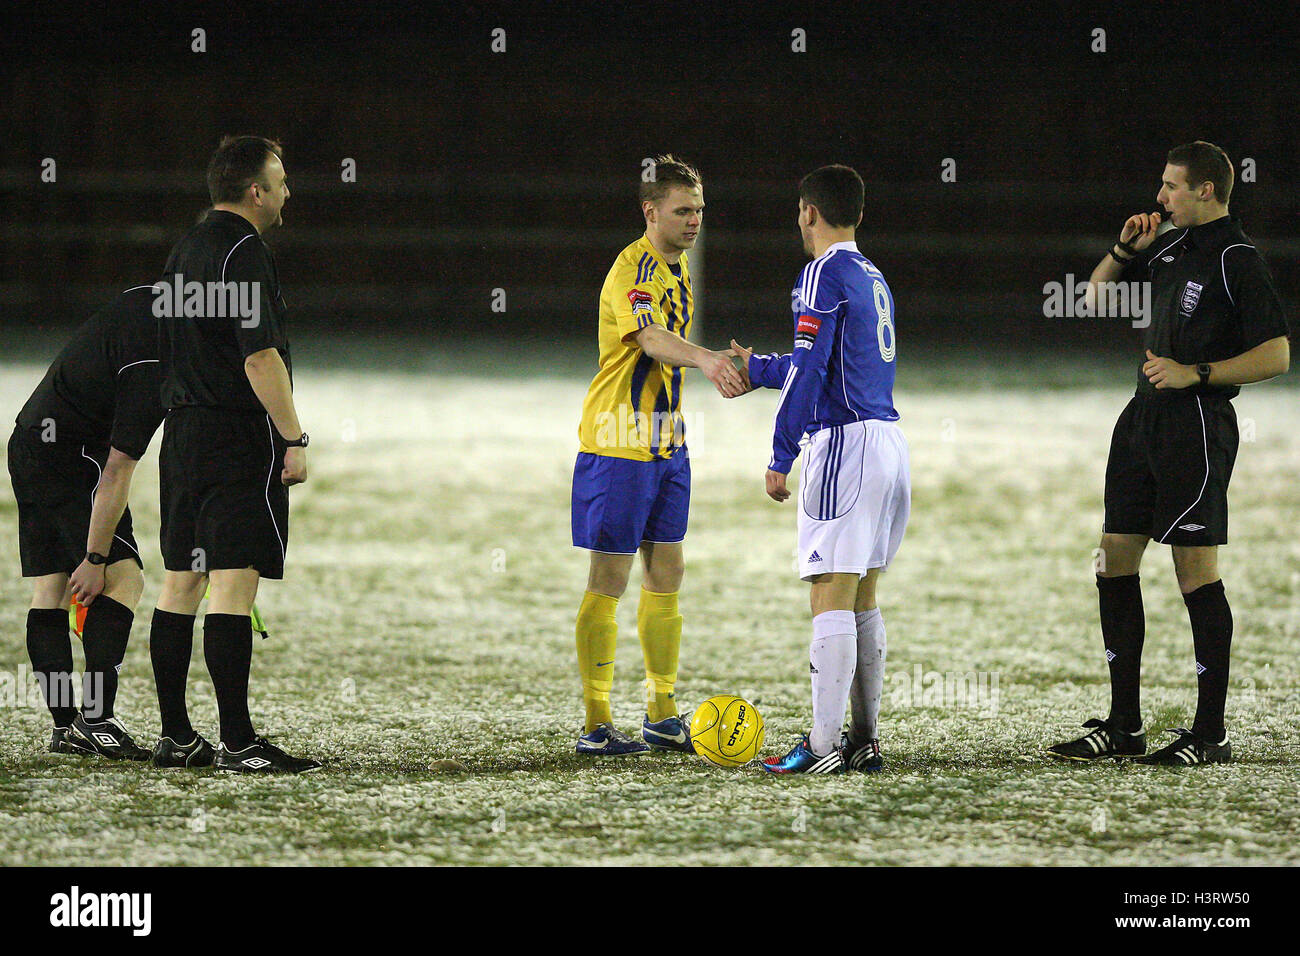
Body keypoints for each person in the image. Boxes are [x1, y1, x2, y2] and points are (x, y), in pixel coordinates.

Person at [1049, 141, 1289, 766]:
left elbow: (1277, 354)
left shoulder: (1239, 258)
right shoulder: (1172, 246)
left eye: (1170, 186)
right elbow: (1091, 299)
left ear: (1205, 190)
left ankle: (1211, 735)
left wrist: (1196, 373)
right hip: (1141, 420)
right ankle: (1124, 726)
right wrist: (1123, 250)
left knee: (1194, 574)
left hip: (1196, 425)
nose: (1160, 197)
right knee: (1113, 561)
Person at [733, 164, 910, 775]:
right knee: (861, 595)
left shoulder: (820, 274)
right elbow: (829, 365)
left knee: (829, 593)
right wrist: (758, 369)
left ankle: (822, 745)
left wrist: (781, 456)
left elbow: (811, 376)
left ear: (809, 212)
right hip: (887, 440)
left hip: (844, 447)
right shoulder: (871, 274)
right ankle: (863, 740)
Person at [150, 135, 319, 773]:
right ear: (256, 192)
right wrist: (292, 436)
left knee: (181, 581)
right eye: (279, 182)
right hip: (234, 434)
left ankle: (176, 736)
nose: (285, 193)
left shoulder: (183, 249)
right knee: (233, 580)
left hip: (183, 433)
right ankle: (240, 741)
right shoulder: (245, 252)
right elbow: (258, 355)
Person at [570, 154, 747, 755]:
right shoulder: (634, 268)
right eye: (683, 210)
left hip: (668, 439)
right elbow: (647, 337)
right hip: (620, 439)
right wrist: (705, 358)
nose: (695, 220)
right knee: (610, 578)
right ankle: (596, 724)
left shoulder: (679, 266)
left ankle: (660, 710)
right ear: (651, 212)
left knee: (667, 571)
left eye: (699, 210)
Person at [8, 285, 164, 759]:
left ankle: (66, 727)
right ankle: (97, 720)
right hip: (73, 456)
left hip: (29, 440)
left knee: (51, 589)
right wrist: (96, 558)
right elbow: (117, 472)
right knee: (124, 580)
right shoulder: (155, 362)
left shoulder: (142, 299)